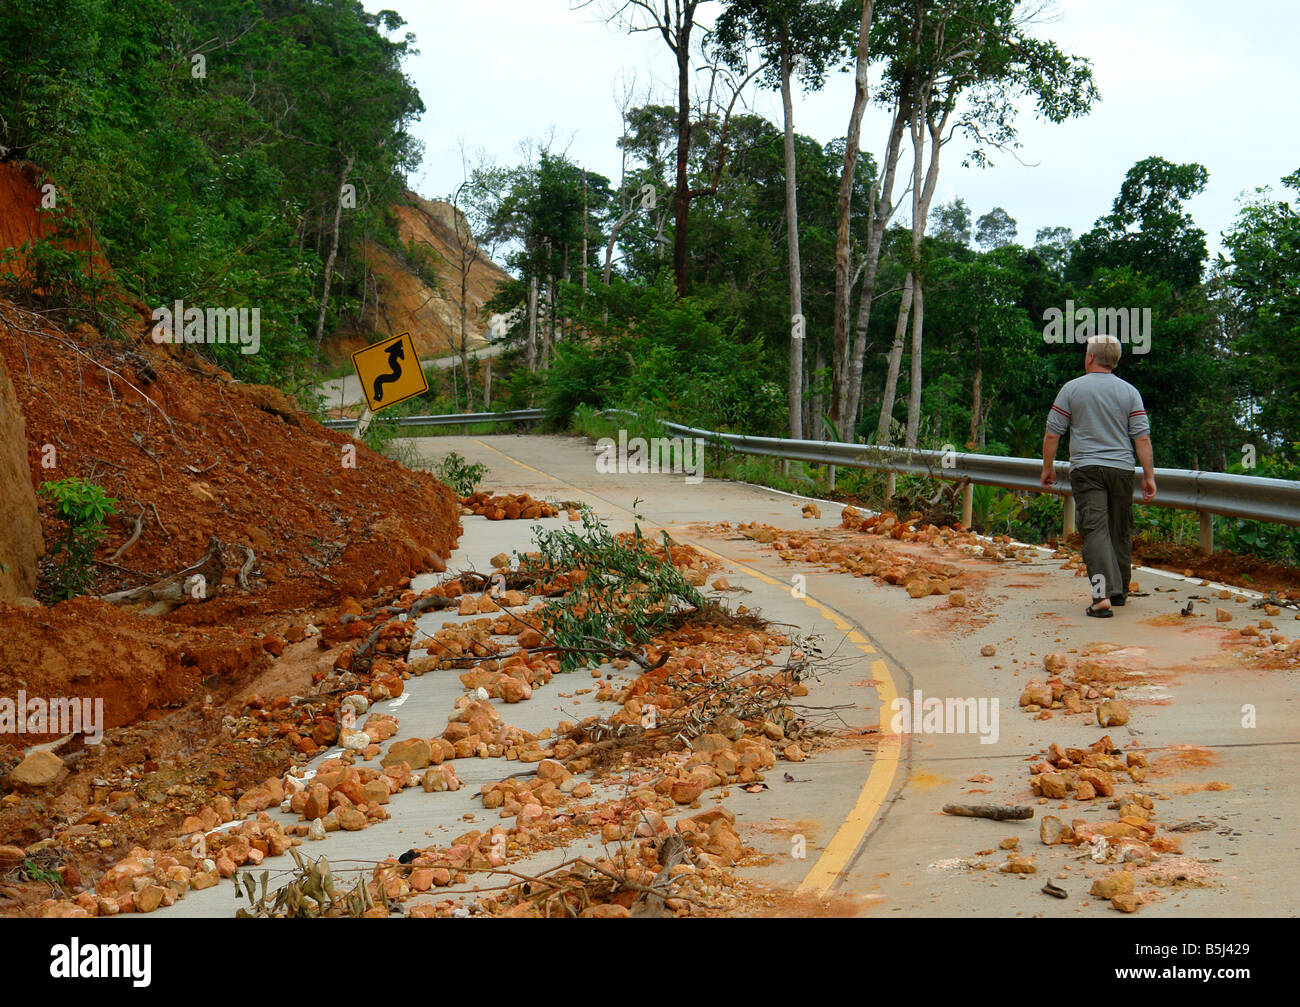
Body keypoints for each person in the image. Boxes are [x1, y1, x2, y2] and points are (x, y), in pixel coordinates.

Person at [1041, 334, 1157, 617]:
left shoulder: (1072, 389)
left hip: (1087, 470)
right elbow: (1141, 438)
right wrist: (1149, 476)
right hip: (1121, 469)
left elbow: (1053, 432)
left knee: (1095, 530)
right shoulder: (1130, 392)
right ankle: (1119, 593)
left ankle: (1101, 596)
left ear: (1090, 357)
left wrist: (1047, 468)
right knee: (1119, 528)